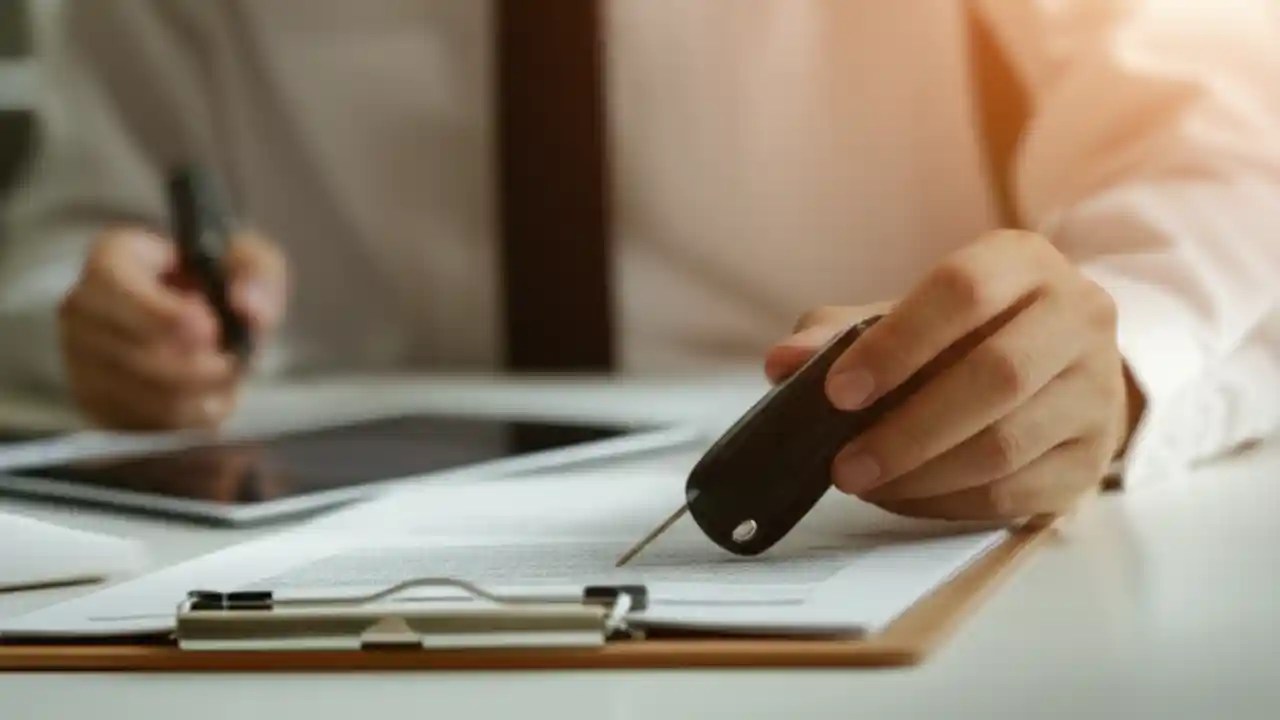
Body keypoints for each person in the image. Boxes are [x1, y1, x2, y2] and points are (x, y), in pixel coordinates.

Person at [1, 1, 1277, 521]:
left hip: (861, 489)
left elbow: (1215, 130)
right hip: (306, 498)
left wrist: (1115, 351)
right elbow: (73, 221)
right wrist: (94, 306)